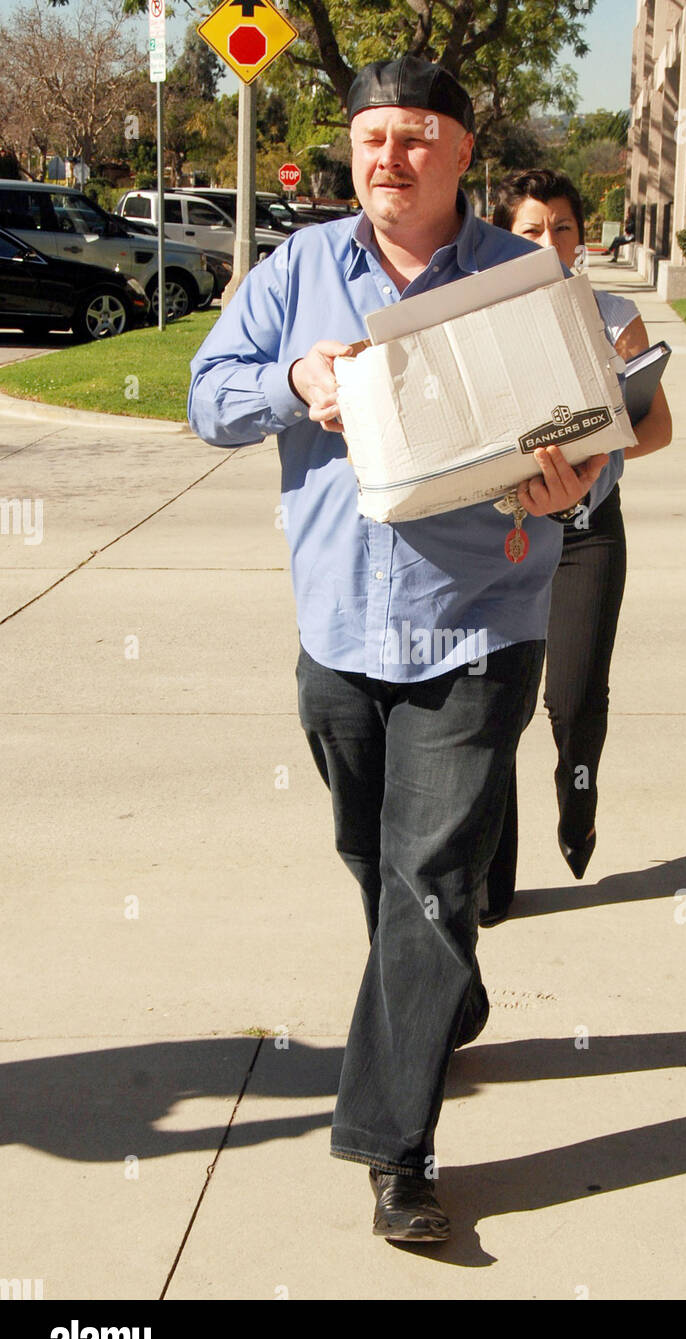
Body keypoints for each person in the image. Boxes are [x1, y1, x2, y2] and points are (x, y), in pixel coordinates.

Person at [187, 61, 610, 1244]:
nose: (388, 158)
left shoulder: (522, 280)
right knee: (378, 866)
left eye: (415, 138)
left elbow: (593, 440)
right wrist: (291, 378)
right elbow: (205, 394)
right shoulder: (298, 270)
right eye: (372, 137)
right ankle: (447, 984)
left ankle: (396, 1150)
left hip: (476, 629)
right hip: (337, 628)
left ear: (463, 154)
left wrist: (574, 478)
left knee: (424, 880)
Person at [483, 170, 671, 924]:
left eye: (562, 227)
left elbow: (657, 427)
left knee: (573, 700)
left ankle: (577, 795)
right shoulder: (482, 316)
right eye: (531, 229)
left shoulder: (614, 315)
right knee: (494, 711)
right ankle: (491, 883)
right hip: (500, 537)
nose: (549, 242)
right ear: (505, 237)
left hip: (589, 533)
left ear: (581, 237)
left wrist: (595, 448)